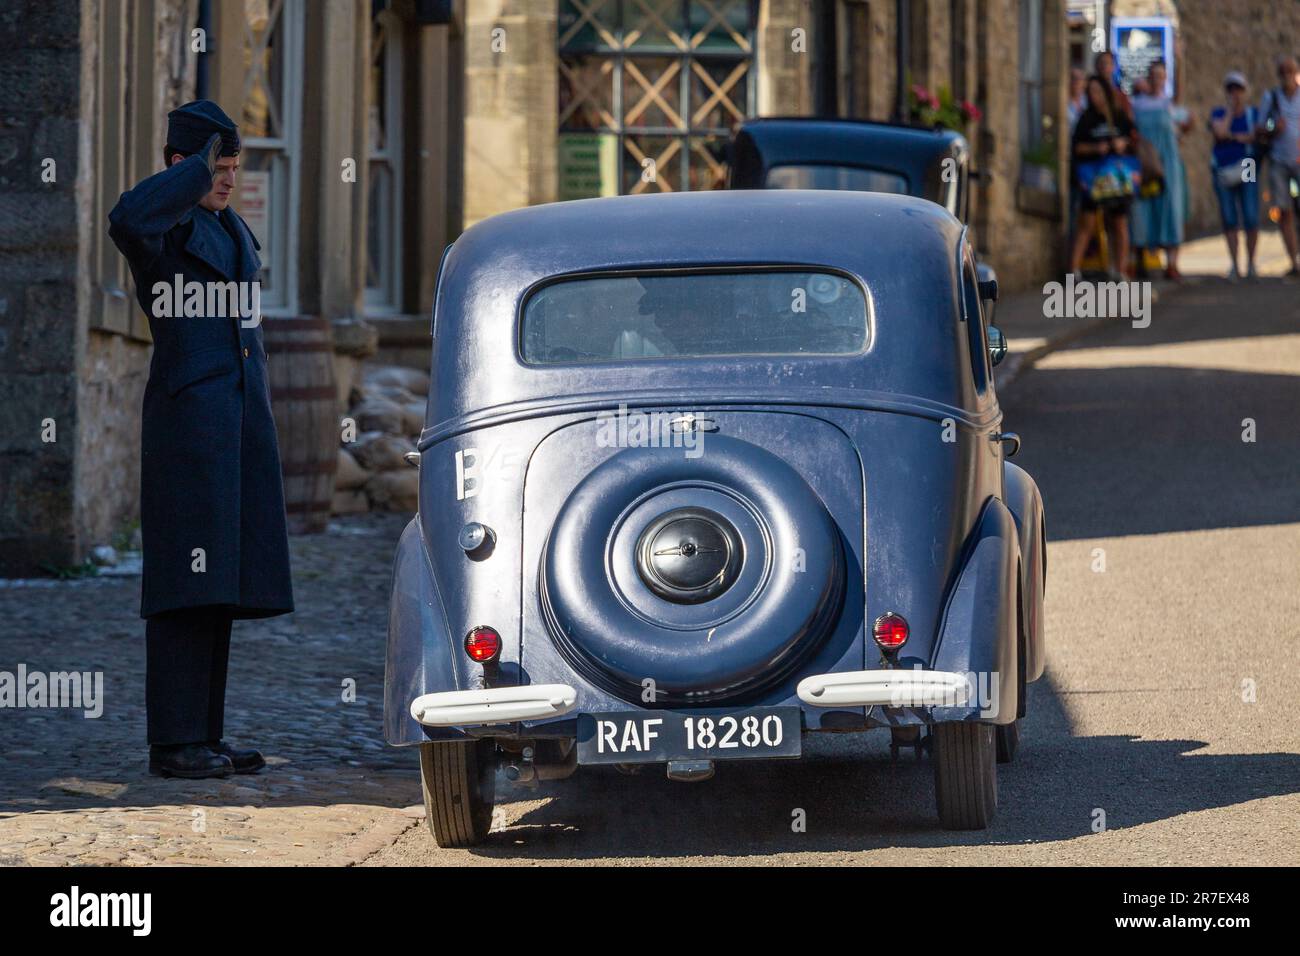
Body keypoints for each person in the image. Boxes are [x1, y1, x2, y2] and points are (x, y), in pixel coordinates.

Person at [108, 100, 294, 779]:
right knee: (185, 587)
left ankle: (203, 737)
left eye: (233, 166)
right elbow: (125, 216)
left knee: (218, 583)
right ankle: (174, 742)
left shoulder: (230, 228)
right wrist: (191, 169)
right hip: (189, 429)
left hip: (237, 425)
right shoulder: (163, 229)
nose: (227, 178)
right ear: (181, 167)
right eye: (216, 167)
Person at [1069, 75, 1138, 279]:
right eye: (1091, 93)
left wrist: (1122, 144)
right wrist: (1095, 147)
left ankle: (1120, 270)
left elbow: (1134, 139)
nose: (1094, 96)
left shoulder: (1118, 116)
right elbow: (1077, 148)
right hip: (1094, 177)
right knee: (1086, 223)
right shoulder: (1086, 118)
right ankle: (1073, 270)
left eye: (1098, 91)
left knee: (1119, 223)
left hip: (1117, 177)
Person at [1130, 60, 1191, 278]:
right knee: (1141, 209)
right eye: (1154, 75)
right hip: (1145, 162)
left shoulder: (1170, 104)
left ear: (1166, 79)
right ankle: (1140, 260)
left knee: (1170, 208)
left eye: (1162, 75)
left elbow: (1186, 122)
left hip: (1168, 163)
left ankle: (1172, 263)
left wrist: (1178, 55)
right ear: (1148, 77)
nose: (1157, 79)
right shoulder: (1138, 104)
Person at [1210, 71, 1261, 280]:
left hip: (1247, 165)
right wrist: (1230, 113)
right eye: (1231, 89)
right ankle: (1234, 264)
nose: (1235, 93)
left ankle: (1251, 263)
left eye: (1238, 89)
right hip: (1223, 167)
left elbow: (1254, 137)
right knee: (1229, 217)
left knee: (1250, 214)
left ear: (1245, 91)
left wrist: (1233, 136)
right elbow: (1220, 133)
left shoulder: (1253, 114)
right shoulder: (1218, 113)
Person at [1260, 56, 1300, 275]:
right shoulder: (1271, 97)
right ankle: (1294, 263)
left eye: (1290, 70)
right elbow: (1260, 127)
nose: (1286, 75)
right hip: (1279, 162)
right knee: (1284, 212)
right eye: (1282, 71)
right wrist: (1273, 127)